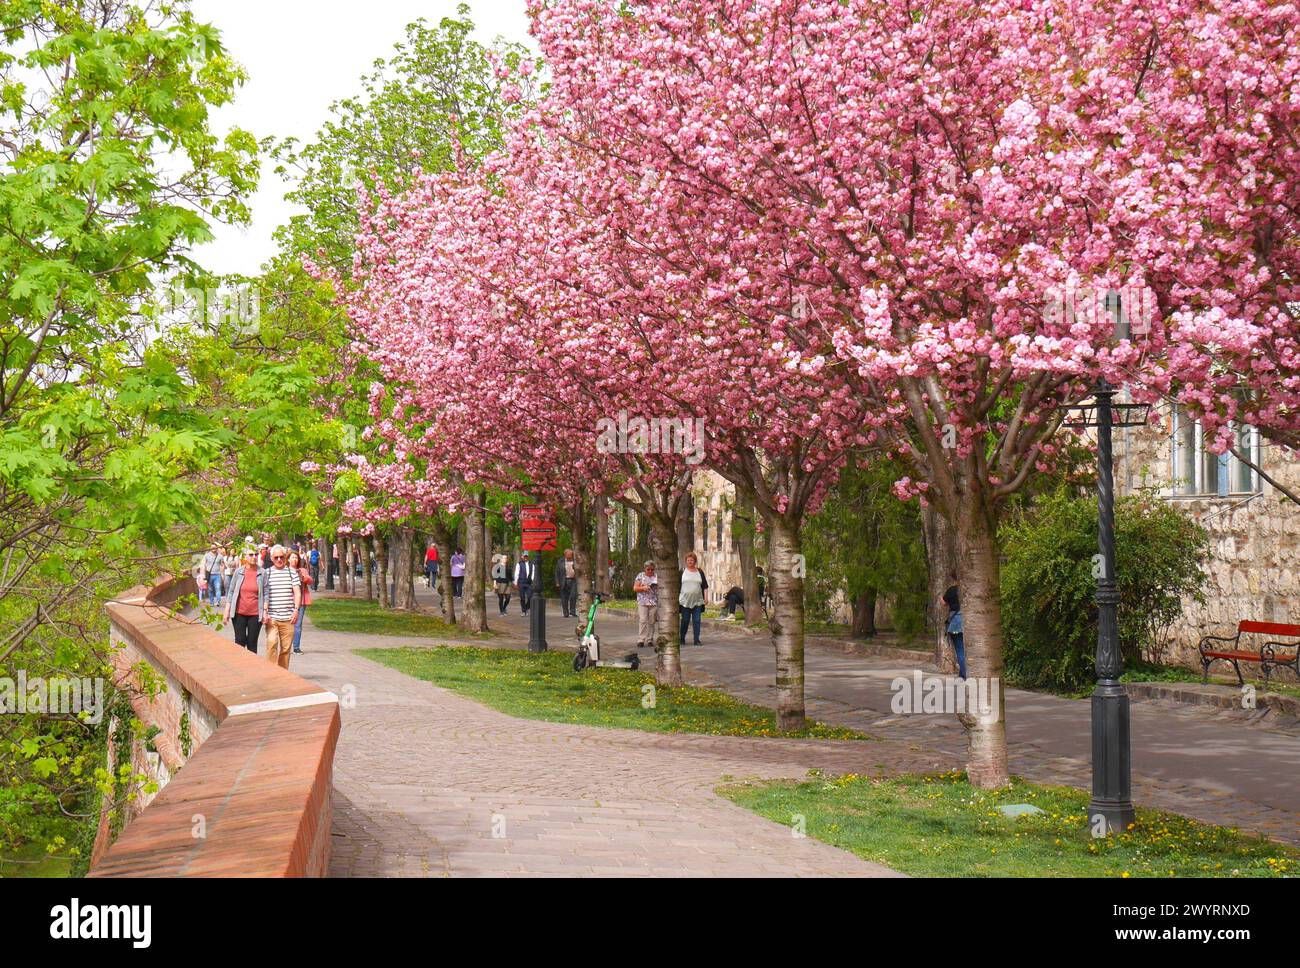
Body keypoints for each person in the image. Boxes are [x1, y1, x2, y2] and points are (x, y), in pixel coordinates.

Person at [261, 544, 301, 670]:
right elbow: (263, 594)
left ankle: (283, 672)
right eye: (276, 557)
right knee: (272, 643)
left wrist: (296, 610)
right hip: (272, 617)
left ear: (285, 558)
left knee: (286, 648)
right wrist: (264, 612)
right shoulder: (267, 573)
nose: (279, 560)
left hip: (288, 617)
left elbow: (297, 592)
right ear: (271, 558)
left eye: (282, 557)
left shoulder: (292, 573)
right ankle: (272, 671)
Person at [225, 549, 264, 654]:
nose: (254, 557)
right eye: (251, 554)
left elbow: (266, 593)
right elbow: (231, 591)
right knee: (240, 641)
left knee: (252, 643)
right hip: (239, 613)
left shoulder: (262, 572)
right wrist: (227, 611)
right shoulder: (239, 572)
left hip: (255, 614)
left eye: (256, 554)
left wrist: (266, 611)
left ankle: (252, 668)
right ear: (245, 557)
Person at [678, 553, 708, 647]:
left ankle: (696, 640)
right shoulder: (682, 571)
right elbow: (677, 586)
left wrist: (706, 598)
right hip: (684, 601)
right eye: (688, 560)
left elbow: (705, 586)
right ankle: (682, 638)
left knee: (697, 620)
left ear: (695, 561)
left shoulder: (700, 571)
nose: (690, 562)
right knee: (685, 620)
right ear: (686, 561)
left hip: (698, 601)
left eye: (692, 560)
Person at [288, 550, 313, 655]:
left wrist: (303, 577)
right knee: (287, 624)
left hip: (301, 601)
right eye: (292, 557)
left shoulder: (302, 570)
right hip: (287, 600)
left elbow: (310, 581)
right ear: (288, 559)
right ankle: (286, 646)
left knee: (298, 624)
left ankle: (296, 647)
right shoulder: (285, 571)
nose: (295, 559)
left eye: (296, 557)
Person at [943, 577, 966, 679]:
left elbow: (943, 602)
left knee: (960, 649)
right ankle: (963, 673)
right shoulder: (967, 589)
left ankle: (964, 675)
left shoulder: (952, 590)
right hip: (968, 621)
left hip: (956, 622)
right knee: (966, 650)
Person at [633, 560, 658, 649]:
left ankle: (650, 639)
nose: (650, 571)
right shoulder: (640, 576)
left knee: (652, 621)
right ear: (645, 569)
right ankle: (641, 639)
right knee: (643, 620)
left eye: (652, 569)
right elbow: (635, 588)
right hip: (643, 602)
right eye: (648, 569)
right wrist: (643, 588)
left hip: (654, 601)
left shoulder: (656, 576)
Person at [554, 548, 578, 618]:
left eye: (571, 555)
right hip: (563, 581)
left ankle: (572, 612)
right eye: (569, 555)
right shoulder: (560, 561)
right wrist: (557, 582)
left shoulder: (575, 561)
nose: (570, 556)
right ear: (565, 555)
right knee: (564, 598)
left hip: (573, 581)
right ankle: (565, 612)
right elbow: (557, 572)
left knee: (573, 596)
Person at [201, 544, 222, 608]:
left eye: (215, 547)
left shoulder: (220, 556)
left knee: (218, 588)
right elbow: (203, 565)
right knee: (210, 589)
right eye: (212, 547)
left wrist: (223, 574)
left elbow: (222, 565)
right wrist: (203, 575)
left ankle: (218, 601)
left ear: (217, 548)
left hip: (217, 575)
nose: (213, 548)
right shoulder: (207, 555)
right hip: (209, 575)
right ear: (210, 548)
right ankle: (211, 602)